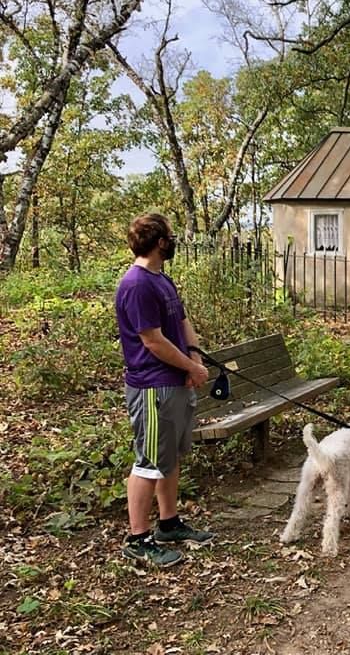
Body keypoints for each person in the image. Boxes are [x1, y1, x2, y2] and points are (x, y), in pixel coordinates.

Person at [115, 213, 214, 568]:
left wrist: (193, 361)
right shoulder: (137, 284)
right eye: (170, 236)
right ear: (160, 243)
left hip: (175, 382)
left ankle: (169, 523)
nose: (173, 241)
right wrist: (190, 367)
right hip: (152, 388)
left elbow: (181, 322)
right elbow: (153, 342)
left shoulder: (161, 280)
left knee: (169, 456)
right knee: (149, 462)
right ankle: (138, 538)